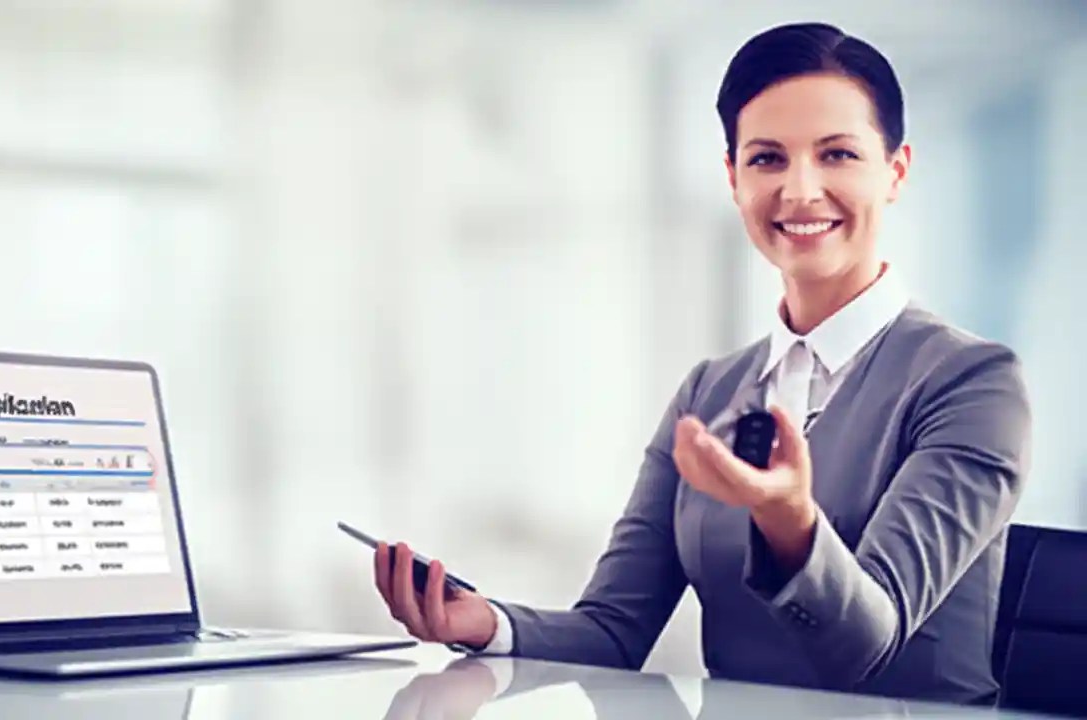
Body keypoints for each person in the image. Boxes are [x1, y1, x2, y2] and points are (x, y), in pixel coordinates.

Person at [371, 21, 1031, 705]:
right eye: (767, 159)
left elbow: (866, 646)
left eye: (837, 154)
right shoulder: (711, 392)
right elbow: (613, 630)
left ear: (895, 171)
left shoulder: (972, 383)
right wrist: (485, 624)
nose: (800, 189)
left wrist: (789, 520)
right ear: (733, 179)